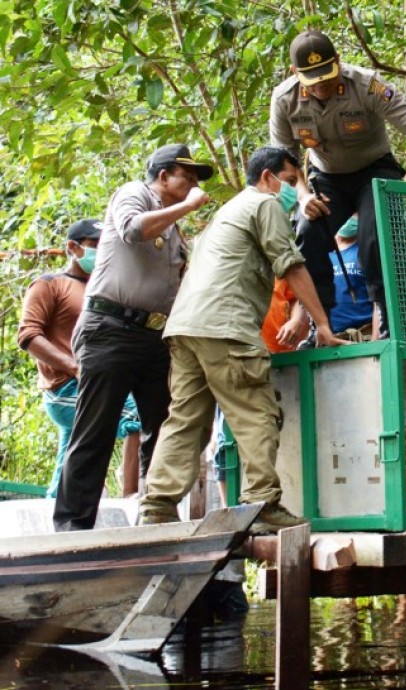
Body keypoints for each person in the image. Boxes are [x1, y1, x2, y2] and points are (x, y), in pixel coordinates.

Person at [137, 146, 343, 532]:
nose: (293, 191)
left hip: (185, 327)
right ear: (267, 178)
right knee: (256, 412)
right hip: (225, 326)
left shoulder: (226, 212)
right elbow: (291, 266)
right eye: (289, 181)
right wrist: (323, 324)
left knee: (186, 418)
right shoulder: (264, 205)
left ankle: (158, 504)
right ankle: (261, 504)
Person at [53, 144, 213, 531]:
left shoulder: (172, 228)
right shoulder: (134, 194)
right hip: (110, 329)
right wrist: (189, 206)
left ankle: (154, 515)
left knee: (164, 425)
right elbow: (133, 229)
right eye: (186, 177)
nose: (193, 185)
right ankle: (72, 529)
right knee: (96, 430)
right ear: (162, 176)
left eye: (195, 181)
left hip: (154, 337)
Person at [268, 29, 406, 335]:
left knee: (375, 232)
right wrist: (302, 195)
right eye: (313, 79)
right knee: (309, 233)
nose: (322, 85)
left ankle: (387, 314)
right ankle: (317, 319)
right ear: (295, 73)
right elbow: (285, 161)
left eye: (327, 74)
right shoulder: (284, 100)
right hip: (327, 179)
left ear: (337, 61)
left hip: (374, 170)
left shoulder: (366, 84)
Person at [18, 219, 142, 498]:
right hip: (66, 387)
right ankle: (130, 497)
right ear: (73, 248)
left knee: (68, 460)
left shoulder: (105, 286)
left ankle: (54, 511)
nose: (100, 250)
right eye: (93, 245)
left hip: (101, 380)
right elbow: (28, 335)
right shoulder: (49, 285)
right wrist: (74, 367)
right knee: (136, 414)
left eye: (103, 245)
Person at [328, 213, 376, 338]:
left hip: (365, 333)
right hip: (331, 337)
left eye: (354, 213)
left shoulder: (367, 250)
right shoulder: (323, 252)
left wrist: (375, 341)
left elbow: (379, 301)